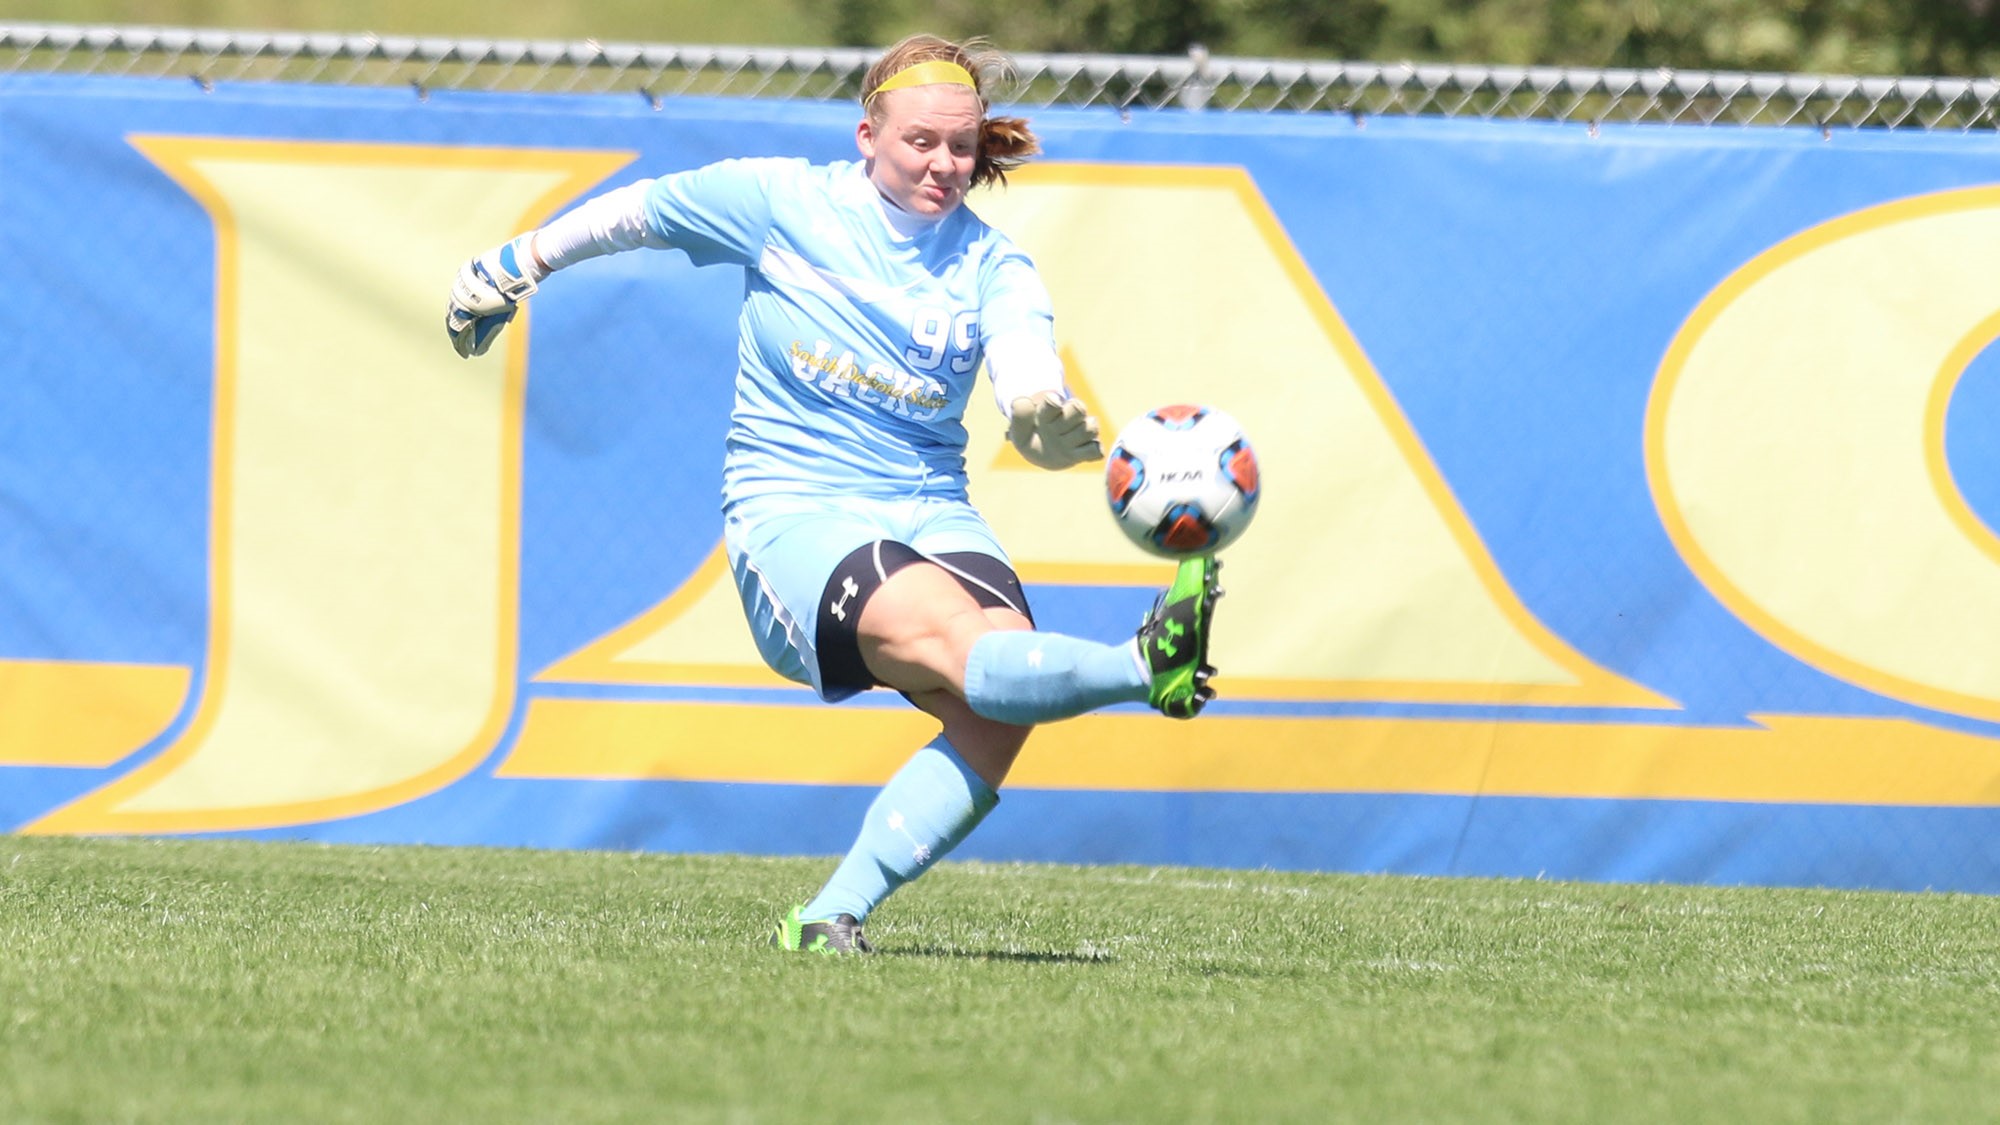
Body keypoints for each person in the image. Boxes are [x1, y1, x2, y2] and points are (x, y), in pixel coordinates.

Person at [445, 33, 1223, 955]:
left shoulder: (993, 264)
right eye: (920, 142)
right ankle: (1143, 666)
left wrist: (1031, 410)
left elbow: (1023, 354)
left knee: (997, 701)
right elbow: (640, 214)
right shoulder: (780, 202)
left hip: (931, 505)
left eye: (962, 147)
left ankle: (828, 917)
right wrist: (514, 266)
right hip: (796, 508)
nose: (944, 164)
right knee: (965, 643)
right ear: (867, 134)